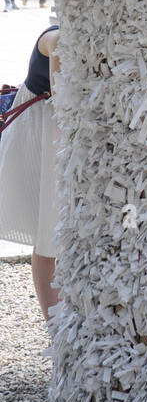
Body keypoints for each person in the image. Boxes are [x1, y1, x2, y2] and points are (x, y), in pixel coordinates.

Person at [0, 25, 60, 317]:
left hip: (56, 133)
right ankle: (54, 322)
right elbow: (64, 99)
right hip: (41, 134)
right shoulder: (56, 38)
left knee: (53, 228)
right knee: (47, 230)